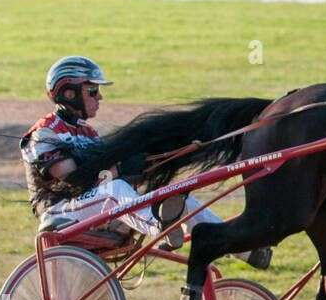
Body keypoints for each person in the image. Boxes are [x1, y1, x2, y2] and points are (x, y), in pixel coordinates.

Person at [20, 55, 271, 269]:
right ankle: (160, 229)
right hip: (59, 213)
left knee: (179, 198)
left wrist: (144, 167)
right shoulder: (44, 132)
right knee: (115, 190)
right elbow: (72, 182)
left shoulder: (87, 133)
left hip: (95, 208)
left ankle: (242, 247)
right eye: (93, 91)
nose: (100, 97)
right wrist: (119, 170)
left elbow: (105, 179)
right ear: (68, 93)